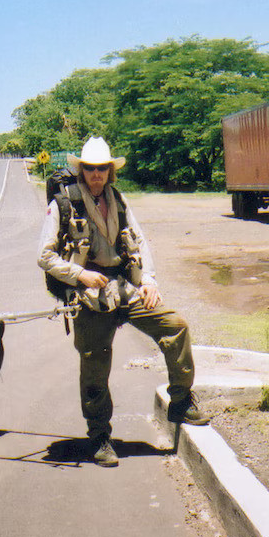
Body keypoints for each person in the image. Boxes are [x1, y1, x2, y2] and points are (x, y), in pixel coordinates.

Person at [38, 136, 210, 467]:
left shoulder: (118, 198)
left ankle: (180, 401)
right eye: (90, 169)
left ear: (109, 171)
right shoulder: (63, 204)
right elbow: (44, 256)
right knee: (94, 365)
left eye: (102, 168)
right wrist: (79, 275)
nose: (96, 174)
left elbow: (140, 240)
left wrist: (148, 280)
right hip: (90, 294)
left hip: (124, 285)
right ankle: (100, 436)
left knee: (175, 327)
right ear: (82, 170)